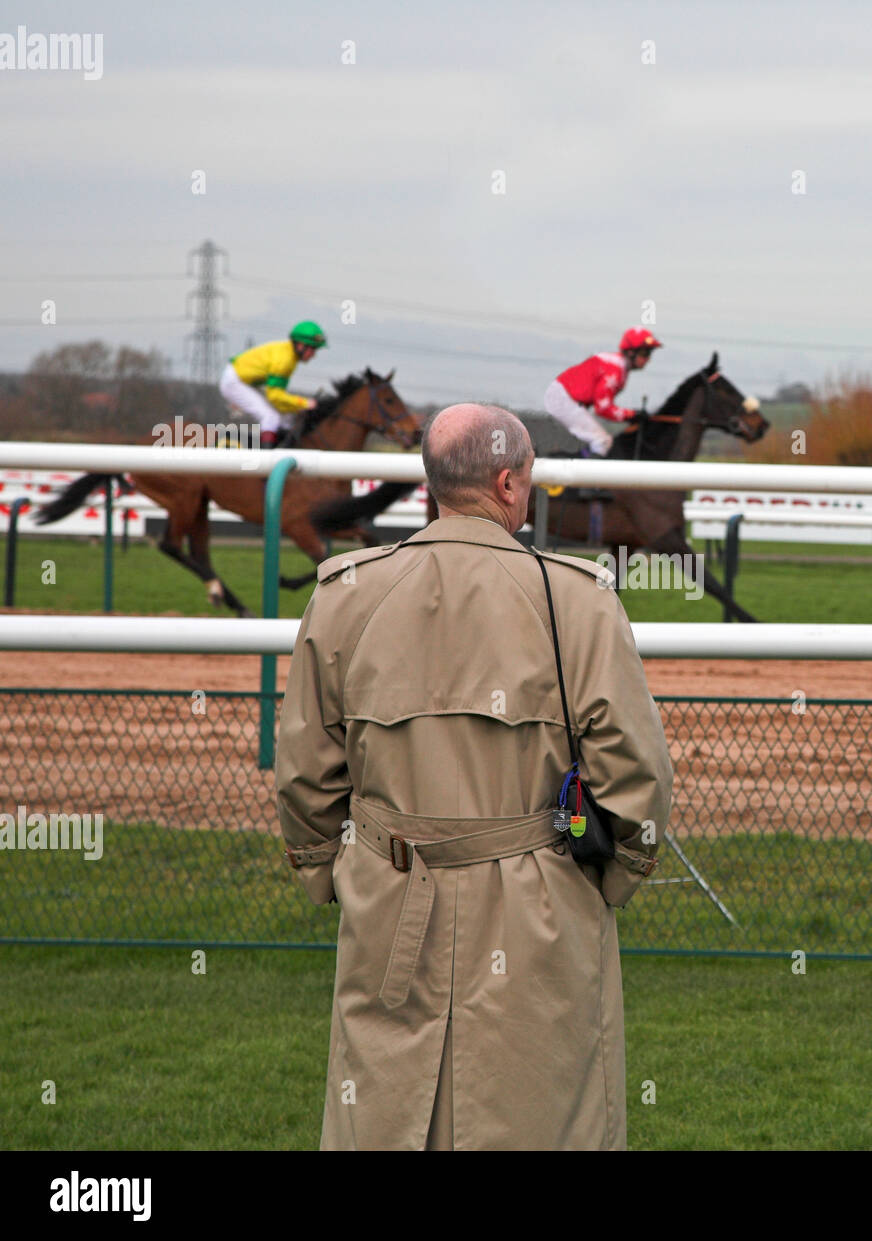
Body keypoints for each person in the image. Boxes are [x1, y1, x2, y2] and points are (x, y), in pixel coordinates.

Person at [275, 403, 673, 1151]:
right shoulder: (578, 599)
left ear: (432, 485)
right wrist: (612, 878)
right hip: (539, 903)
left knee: (384, 1115)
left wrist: (325, 873)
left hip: (389, 894)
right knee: (540, 1108)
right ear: (509, 483)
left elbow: (305, 770)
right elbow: (636, 773)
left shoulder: (344, 594)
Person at [543, 328, 662, 456]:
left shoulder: (618, 366)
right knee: (602, 442)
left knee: (600, 440)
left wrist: (632, 415)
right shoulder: (616, 370)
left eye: (649, 354)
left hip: (565, 398)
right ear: (631, 352)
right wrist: (632, 415)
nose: (648, 359)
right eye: (645, 353)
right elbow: (603, 409)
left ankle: (571, 460)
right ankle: (573, 467)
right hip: (563, 399)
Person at [219, 321, 328, 448]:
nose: (313, 355)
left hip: (244, 381)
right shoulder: (285, 360)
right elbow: (275, 397)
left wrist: (296, 408)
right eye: (312, 348)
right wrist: (305, 404)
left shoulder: (290, 356)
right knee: (271, 418)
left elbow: (279, 401)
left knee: (287, 419)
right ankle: (266, 461)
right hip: (234, 382)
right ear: (300, 345)